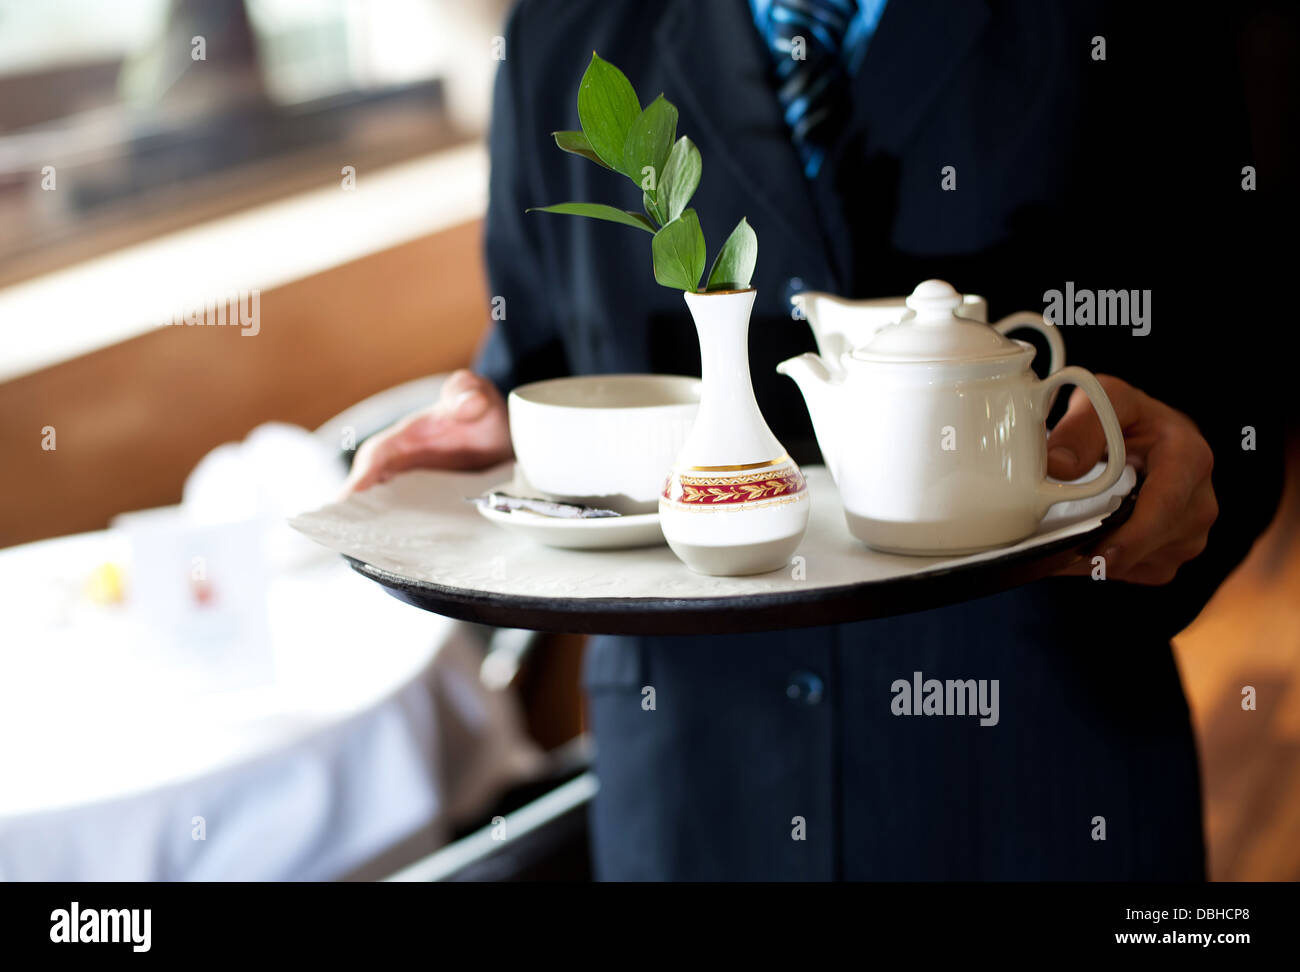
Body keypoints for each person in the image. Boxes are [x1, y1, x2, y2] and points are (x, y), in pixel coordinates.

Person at [346, 0, 1285, 879]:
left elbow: (1235, 377)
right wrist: (491, 430)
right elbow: (540, 358)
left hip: (1037, 773)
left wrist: (1188, 466)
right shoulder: (563, 32)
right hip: (697, 786)